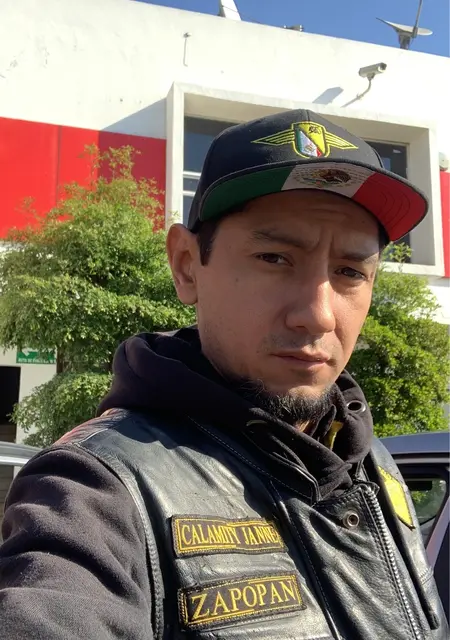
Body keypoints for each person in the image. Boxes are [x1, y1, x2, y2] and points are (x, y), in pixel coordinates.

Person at [0, 109, 447, 640]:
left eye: (350, 271)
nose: (319, 315)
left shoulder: (372, 461)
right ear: (187, 266)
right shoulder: (96, 488)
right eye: (274, 258)